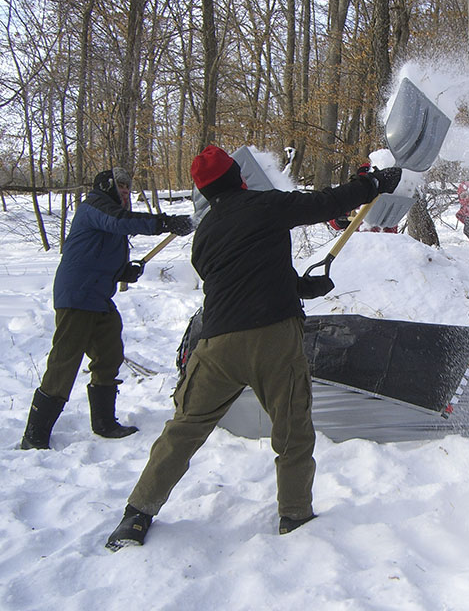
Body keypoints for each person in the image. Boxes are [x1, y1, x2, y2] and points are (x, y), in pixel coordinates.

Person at [105, 145, 401, 550]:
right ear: (237, 176)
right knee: (292, 430)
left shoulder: (205, 235)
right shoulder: (264, 205)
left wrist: (299, 286)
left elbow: (237, 279)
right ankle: (294, 515)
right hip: (273, 340)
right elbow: (325, 203)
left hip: (216, 346)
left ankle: (136, 515)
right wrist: (372, 182)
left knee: (184, 429)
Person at [20, 168, 193, 450]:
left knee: (109, 354)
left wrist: (123, 271)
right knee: (65, 362)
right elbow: (121, 223)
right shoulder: (95, 207)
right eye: (121, 186)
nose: (126, 191)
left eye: (128, 187)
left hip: (99, 297)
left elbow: (97, 254)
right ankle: (35, 435)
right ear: (107, 186)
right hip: (77, 296)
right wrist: (166, 222)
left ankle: (104, 423)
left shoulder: (111, 214)